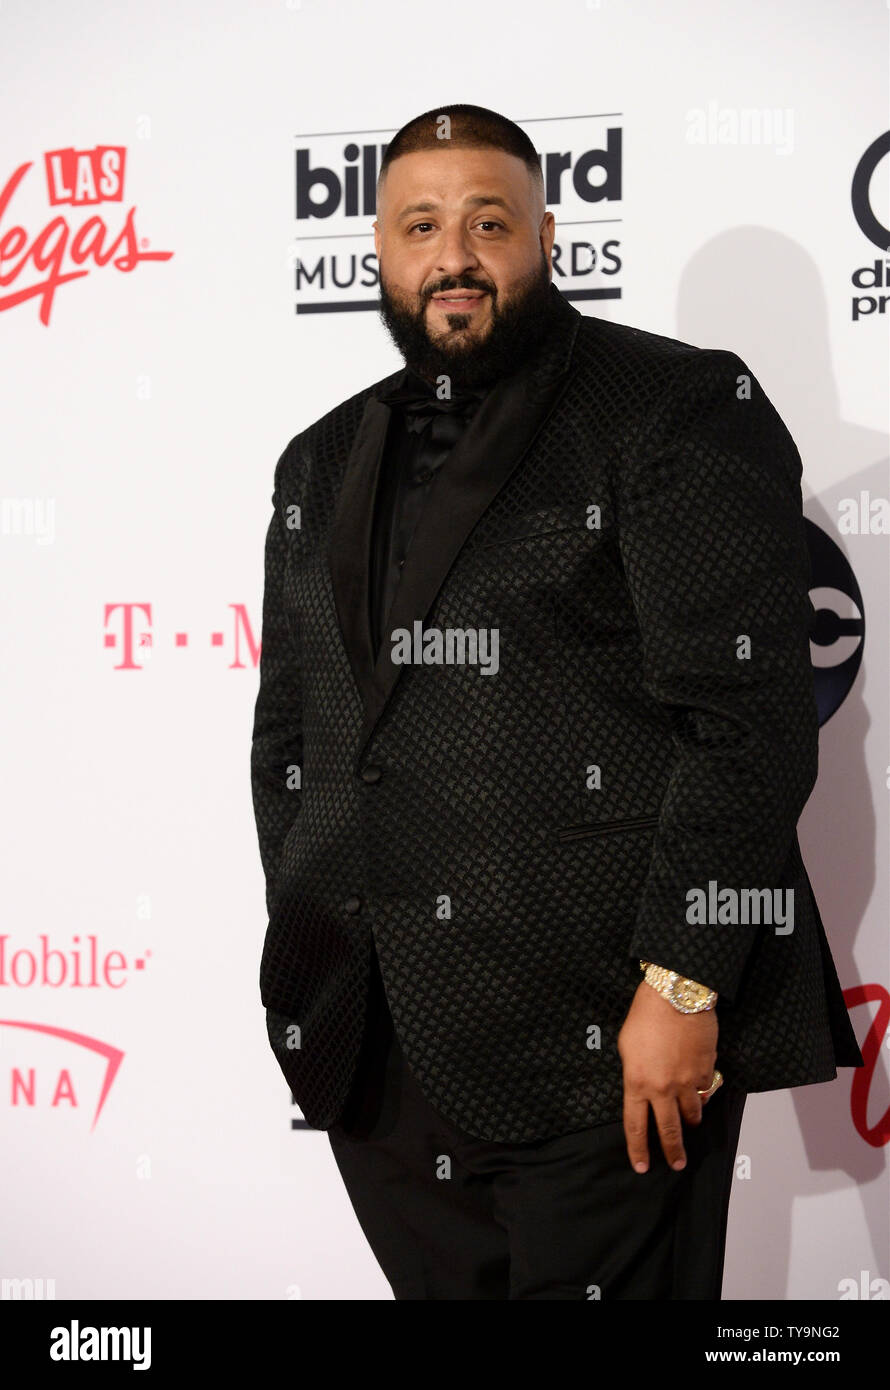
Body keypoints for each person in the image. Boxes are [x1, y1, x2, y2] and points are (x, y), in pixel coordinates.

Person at [250, 103, 863, 1300]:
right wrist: (310, 921)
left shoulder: (669, 406)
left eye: (489, 222)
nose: (453, 255)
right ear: (375, 249)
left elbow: (743, 714)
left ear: (546, 238)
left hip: (604, 1036)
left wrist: (681, 980)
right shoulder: (315, 458)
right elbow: (295, 727)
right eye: (419, 226)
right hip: (374, 1041)